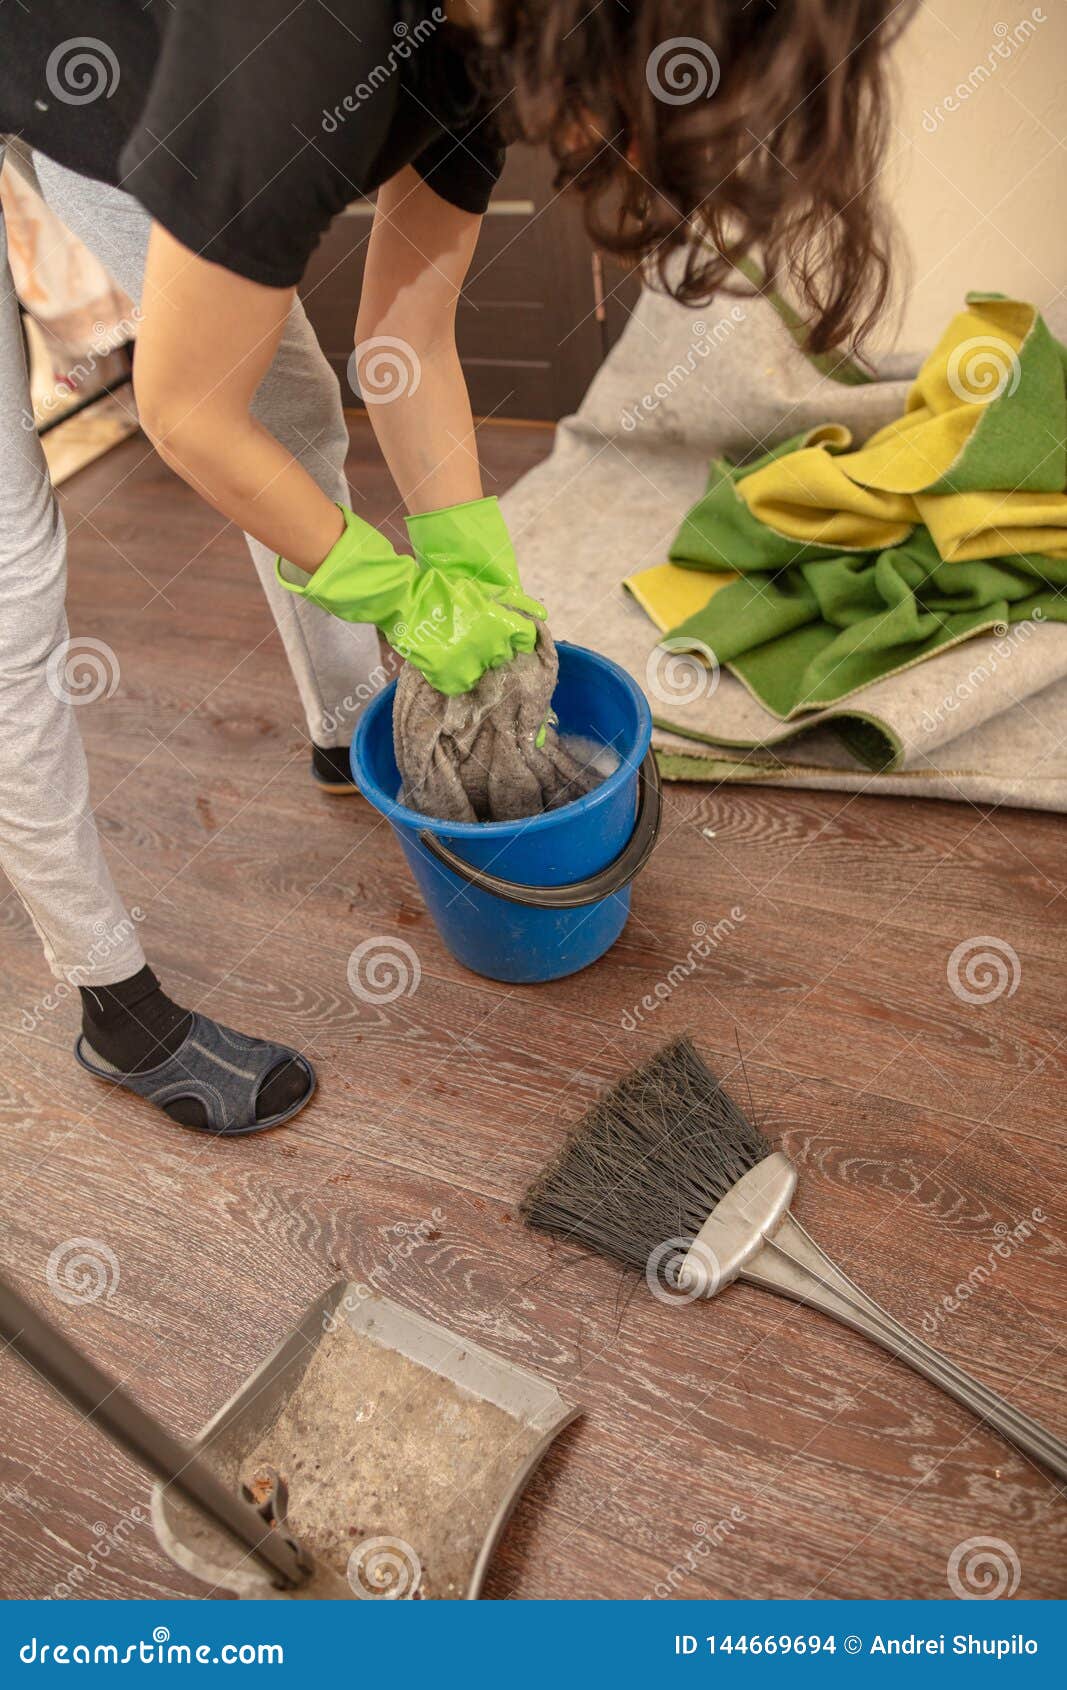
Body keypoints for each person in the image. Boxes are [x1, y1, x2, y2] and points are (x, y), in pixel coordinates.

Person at [0, 1, 914, 1135]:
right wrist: (388, 587)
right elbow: (180, 410)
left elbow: (404, 335)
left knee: (280, 401)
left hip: (102, 58)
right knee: (12, 584)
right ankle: (112, 1006)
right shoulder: (298, 44)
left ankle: (349, 730)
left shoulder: (490, 43)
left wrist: (467, 556)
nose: (606, 155)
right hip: (98, 48)